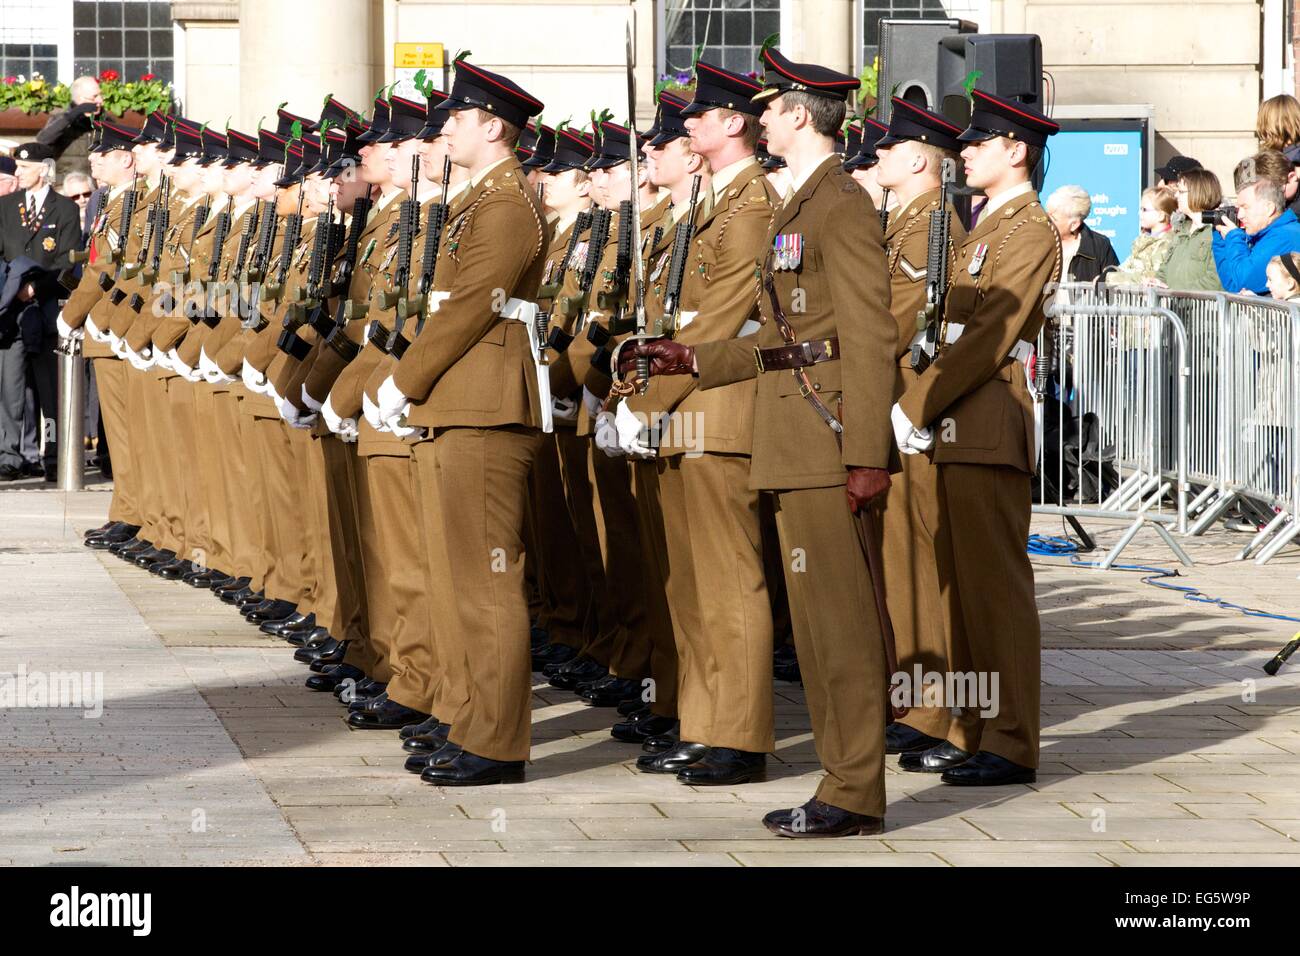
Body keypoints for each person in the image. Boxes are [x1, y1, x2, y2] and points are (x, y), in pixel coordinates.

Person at [624, 46, 899, 837]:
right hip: (792, 430)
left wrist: (866, 454)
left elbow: (869, 335)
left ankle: (853, 792)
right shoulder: (799, 202)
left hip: (827, 434)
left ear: (802, 117)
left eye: (774, 107)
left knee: (838, 627)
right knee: (814, 627)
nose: (763, 115)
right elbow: (789, 339)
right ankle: (843, 782)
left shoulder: (838, 202)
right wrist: (694, 359)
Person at [892, 87, 1061, 786]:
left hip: (985, 421)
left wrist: (918, 405)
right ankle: (969, 725)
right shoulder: (987, 227)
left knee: (994, 592)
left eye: (979, 142)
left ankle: (1011, 739)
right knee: (958, 591)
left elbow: (986, 337)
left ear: (1016, 150)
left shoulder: (1030, 231)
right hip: (957, 423)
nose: (964, 151)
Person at [868, 97, 969, 756]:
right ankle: (914, 698)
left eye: (884, 149)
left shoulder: (933, 225)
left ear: (913, 158)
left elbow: (899, 321)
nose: (874, 157)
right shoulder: (902, 221)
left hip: (914, 408)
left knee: (926, 565)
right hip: (892, 406)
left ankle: (940, 711)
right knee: (899, 561)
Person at [0, 142, 82, 480]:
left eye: (24, 168)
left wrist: (38, 287)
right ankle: (8, 455)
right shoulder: (6, 206)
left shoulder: (64, 209)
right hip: (13, 311)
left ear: (43, 169)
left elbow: (69, 264)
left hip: (47, 308)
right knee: (10, 387)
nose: (17, 173)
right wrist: (10, 287)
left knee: (51, 391)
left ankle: (53, 456)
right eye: (17, 168)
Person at [1211, 173, 1300, 294]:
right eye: (1238, 209)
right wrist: (1220, 235)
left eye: (1245, 207)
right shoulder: (1263, 236)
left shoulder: (1285, 237)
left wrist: (1234, 237)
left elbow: (1244, 281)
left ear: (1268, 208)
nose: (1240, 215)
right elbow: (1232, 284)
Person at [1153, 168, 1224, 291]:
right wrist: (1156, 283)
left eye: (1180, 192)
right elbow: (1164, 270)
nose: (1176, 195)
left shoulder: (1218, 232)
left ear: (1197, 193)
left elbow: (1215, 280)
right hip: (1172, 308)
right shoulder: (1181, 230)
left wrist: (1175, 294)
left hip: (1202, 309)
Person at [36, 76, 104, 180]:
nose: (100, 100)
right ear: (81, 99)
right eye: (95, 96)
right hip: (65, 186)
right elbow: (42, 140)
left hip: (94, 188)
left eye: (101, 95)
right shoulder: (61, 119)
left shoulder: (104, 121)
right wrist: (72, 116)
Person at [1047, 184, 1117, 281]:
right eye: (1047, 214)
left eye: (1053, 218)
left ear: (1074, 225)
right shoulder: (1038, 241)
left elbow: (1114, 288)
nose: (1046, 221)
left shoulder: (1100, 247)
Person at [1110, 186, 1177, 283]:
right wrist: (1110, 271)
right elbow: (1125, 267)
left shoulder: (1167, 244)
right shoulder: (1142, 240)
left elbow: (1151, 278)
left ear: (1161, 216)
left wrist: (1109, 279)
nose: (1139, 213)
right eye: (1140, 209)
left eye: (1144, 210)